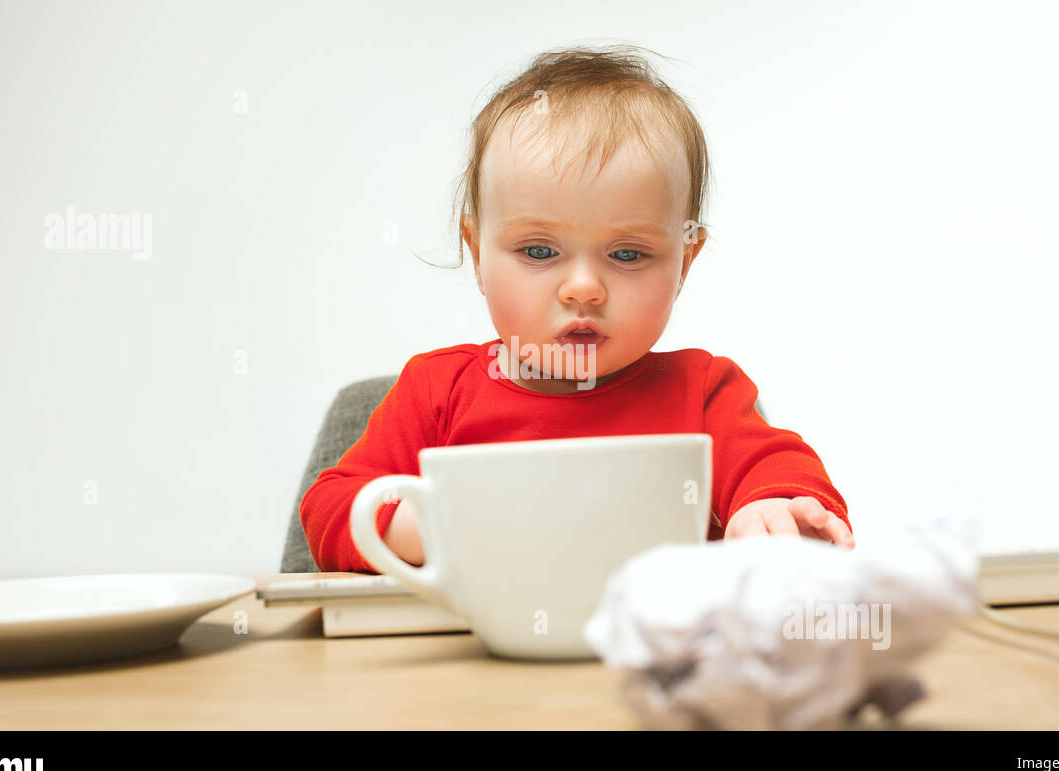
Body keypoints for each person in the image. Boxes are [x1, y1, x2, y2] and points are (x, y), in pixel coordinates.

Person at [301, 45, 853, 573]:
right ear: (476, 253)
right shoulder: (435, 390)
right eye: (539, 251)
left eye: (628, 254)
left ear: (684, 262)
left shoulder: (705, 393)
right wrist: (423, 525)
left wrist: (774, 509)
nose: (584, 288)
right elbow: (331, 508)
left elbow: (781, 474)